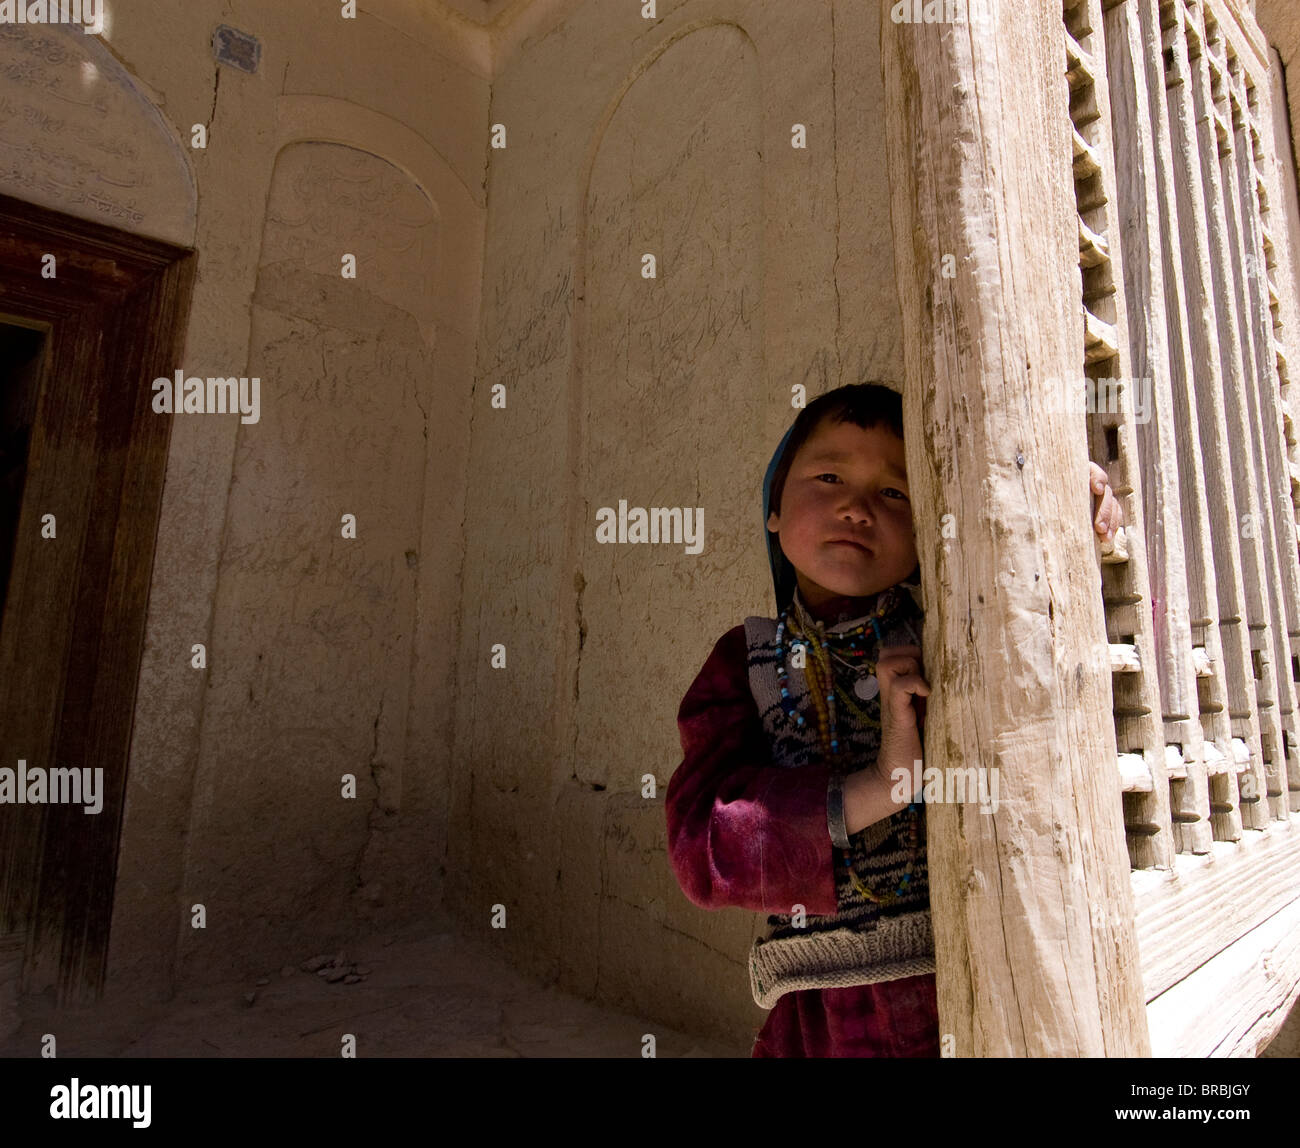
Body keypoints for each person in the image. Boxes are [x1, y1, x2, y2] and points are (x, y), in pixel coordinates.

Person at [664, 382, 1123, 1057]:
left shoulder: (949, 629)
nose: (855, 507)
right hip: (817, 1016)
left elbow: (1034, 609)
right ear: (772, 508)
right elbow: (699, 844)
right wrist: (878, 788)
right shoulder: (744, 664)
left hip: (971, 982)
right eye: (828, 476)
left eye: (895, 493)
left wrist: (1060, 507)